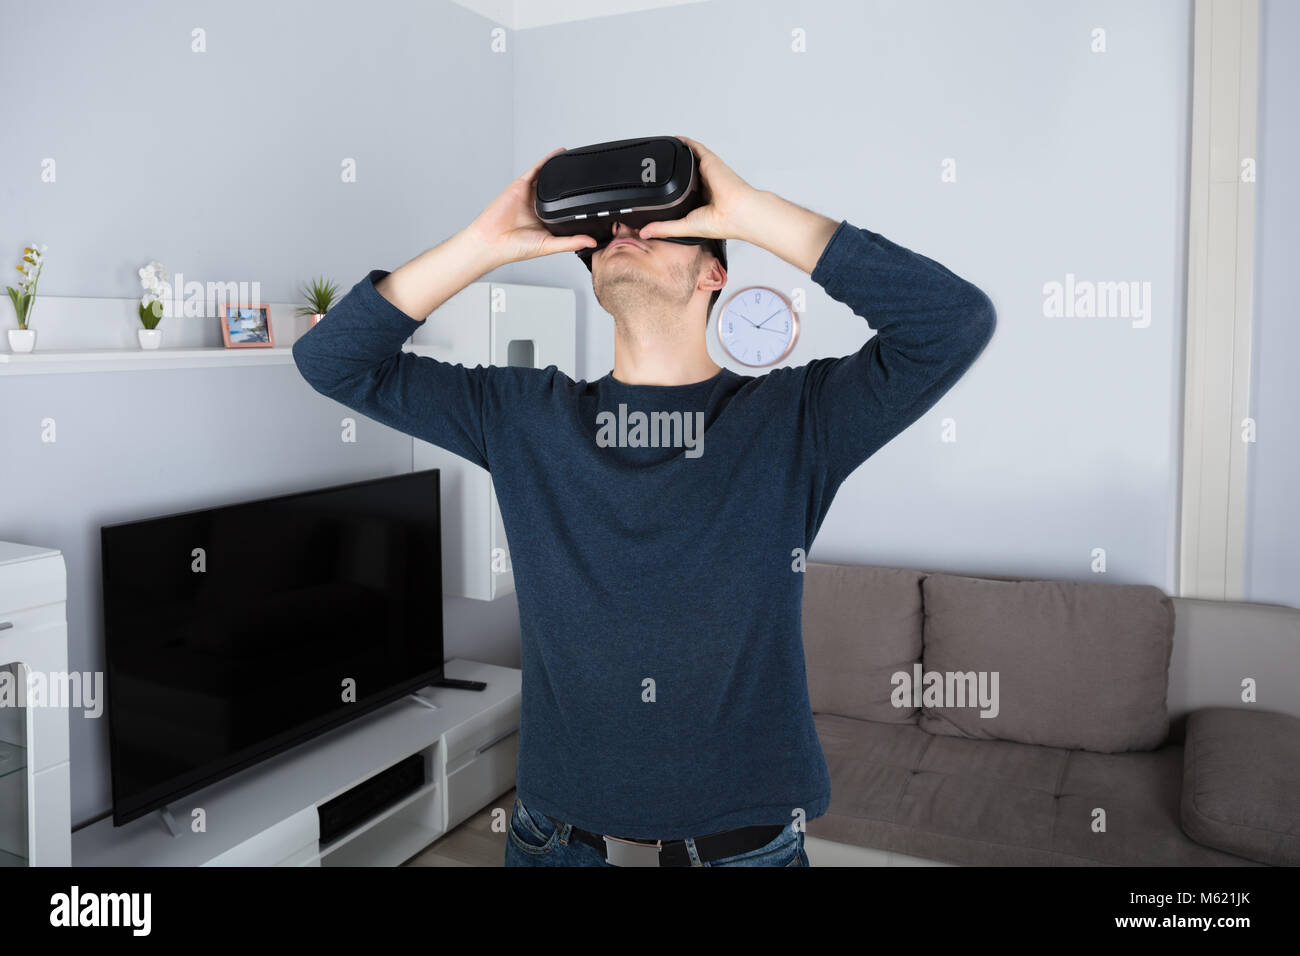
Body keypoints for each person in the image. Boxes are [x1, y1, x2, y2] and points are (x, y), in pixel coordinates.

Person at [292, 136, 996, 867]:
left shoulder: (798, 420)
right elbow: (330, 361)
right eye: (609, 230)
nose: (625, 232)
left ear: (713, 271)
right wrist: (481, 245)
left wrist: (752, 212)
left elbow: (953, 324)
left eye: (658, 222)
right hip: (554, 841)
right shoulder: (521, 414)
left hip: (741, 849)